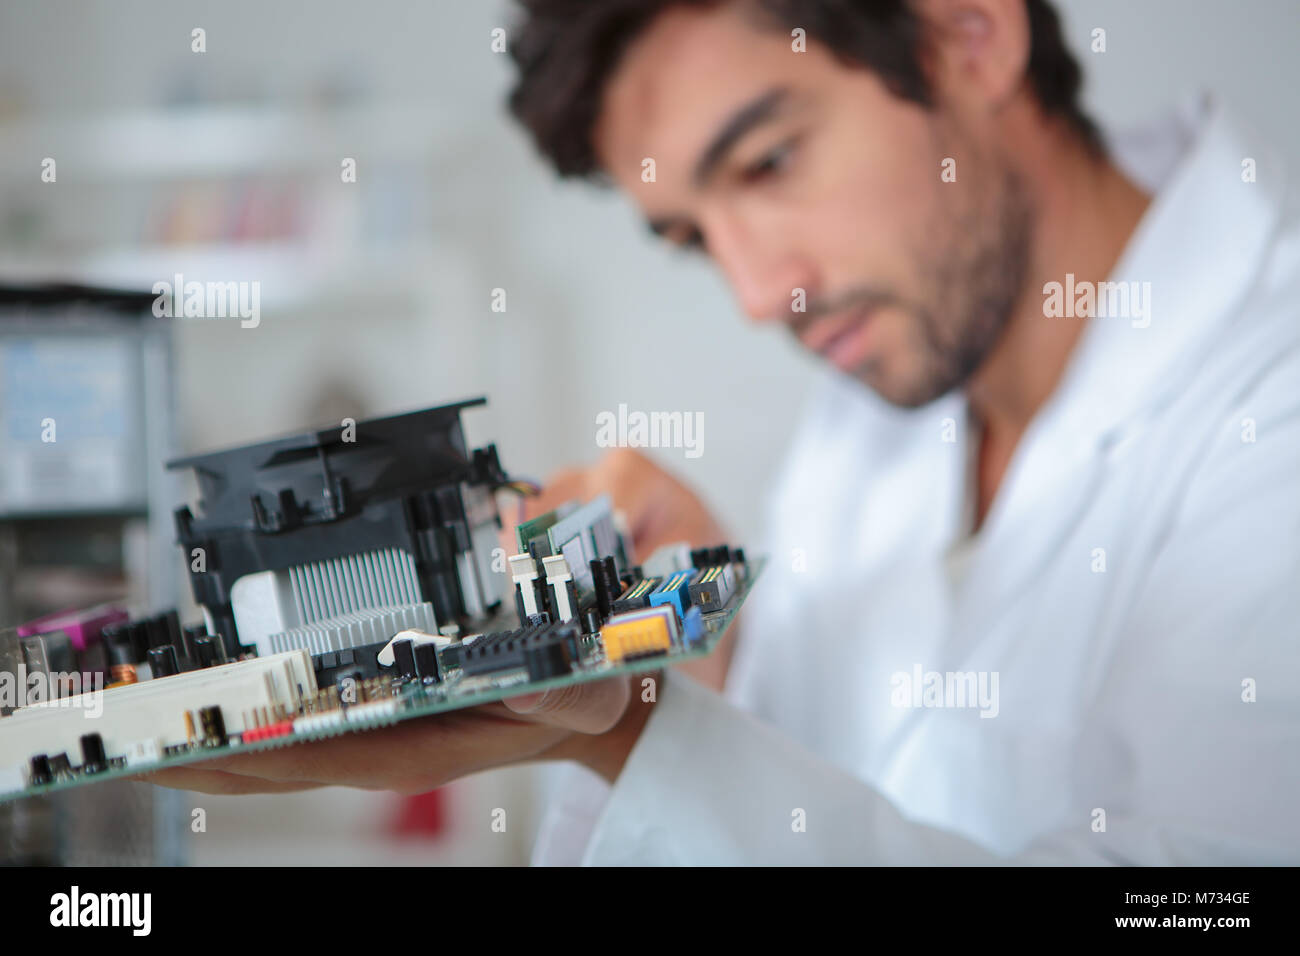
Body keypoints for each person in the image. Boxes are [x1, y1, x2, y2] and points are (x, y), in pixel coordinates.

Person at [154, 0, 1300, 864]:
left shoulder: (1269, 397)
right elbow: (861, 787)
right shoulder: (886, 396)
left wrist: (632, 734)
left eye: (767, 161)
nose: (759, 291)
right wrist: (718, 665)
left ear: (969, 31)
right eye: (694, 237)